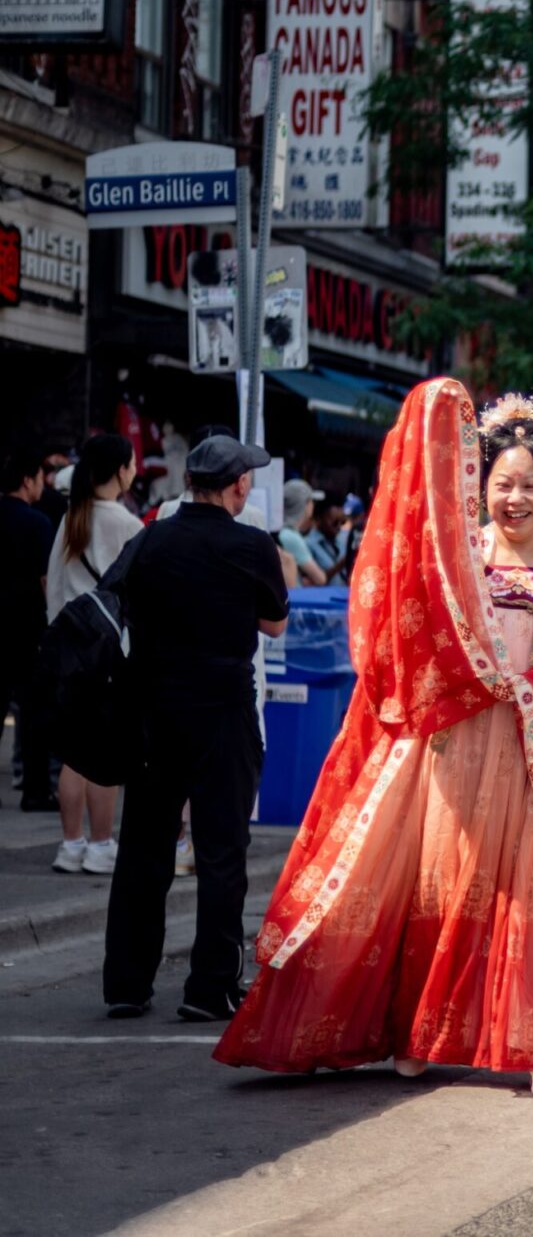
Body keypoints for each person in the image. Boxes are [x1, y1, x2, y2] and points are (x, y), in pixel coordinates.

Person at [215, 385, 533, 1100]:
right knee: (445, 886)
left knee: (530, 894)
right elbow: (406, 631)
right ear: (480, 483)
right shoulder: (455, 560)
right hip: (453, 749)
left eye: (532, 483)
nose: (516, 497)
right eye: (503, 482)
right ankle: (420, 1032)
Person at [98, 434, 288, 1020]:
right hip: (223, 713)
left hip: (155, 712)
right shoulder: (252, 544)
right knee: (221, 851)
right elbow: (274, 625)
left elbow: (116, 600)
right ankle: (210, 988)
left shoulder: (151, 536)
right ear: (237, 486)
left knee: (144, 847)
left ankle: (128, 984)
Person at [45, 433, 141, 874]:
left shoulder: (72, 517)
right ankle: (102, 845)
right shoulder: (128, 525)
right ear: (121, 471)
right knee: (104, 753)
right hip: (111, 654)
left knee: (73, 753)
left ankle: (71, 845)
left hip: (69, 647)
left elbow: (55, 587)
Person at [2, 450, 56, 811]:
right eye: (40, 477)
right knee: (35, 714)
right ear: (27, 480)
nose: (43, 484)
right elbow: (45, 581)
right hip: (27, 629)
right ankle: (35, 791)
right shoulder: (37, 523)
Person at [277, 478, 327, 586]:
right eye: (311, 501)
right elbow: (320, 578)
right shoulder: (291, 537)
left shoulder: (279, 531)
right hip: (296, 599)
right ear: (305, 504)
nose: (313, 505)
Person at [304, 496, 354, 577]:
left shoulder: (341, 542)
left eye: (342, 522)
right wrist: (340, 565)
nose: (339, 527)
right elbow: (313, 581)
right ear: (319, 519)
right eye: (335, 522)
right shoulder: (308, 544)